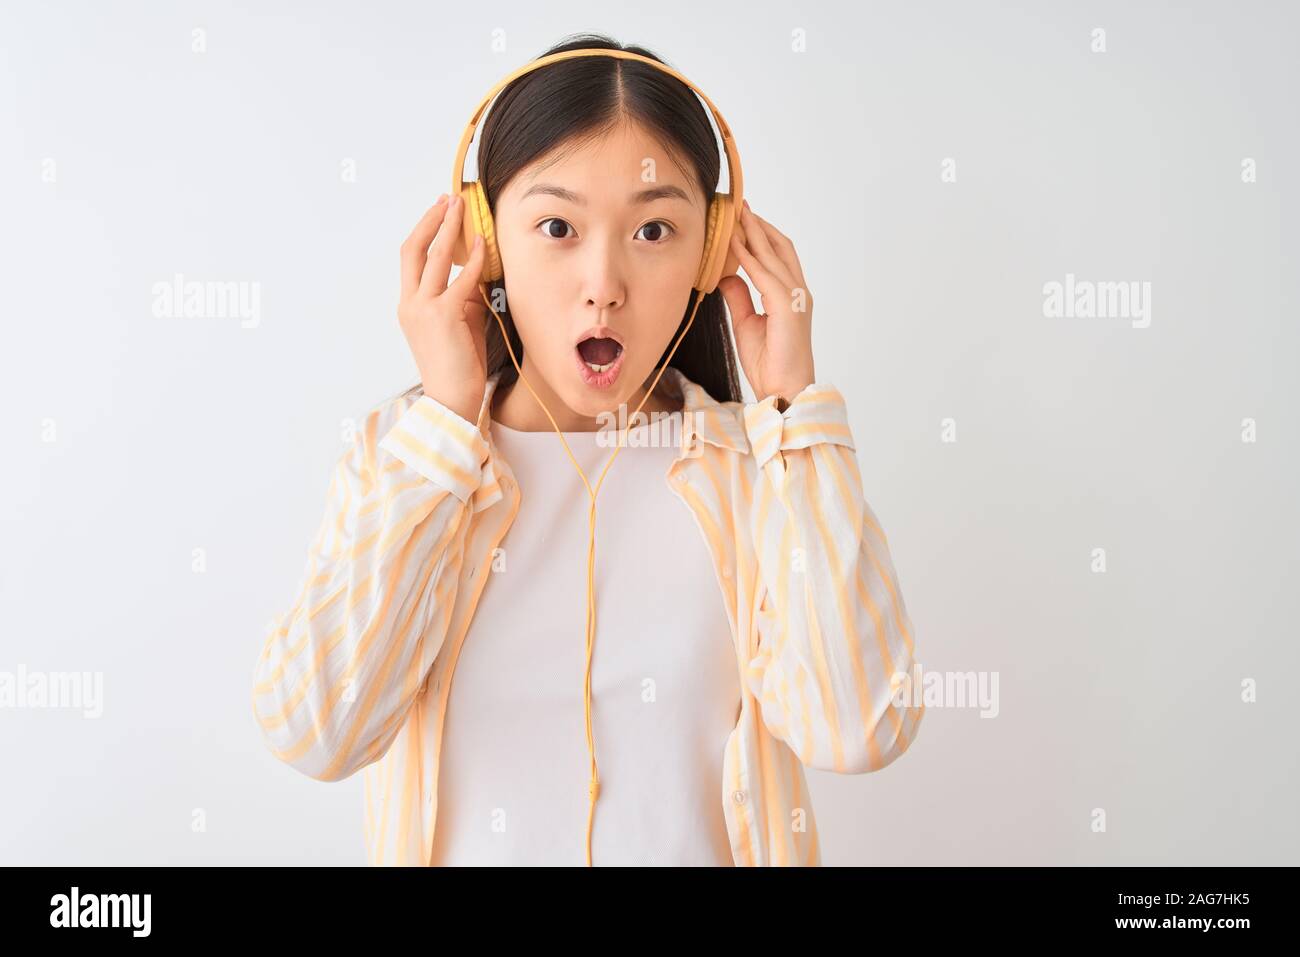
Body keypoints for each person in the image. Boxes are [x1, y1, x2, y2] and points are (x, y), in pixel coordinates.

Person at [251, 32, 924, 867]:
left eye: (653, 231)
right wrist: (448, 430)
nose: (603, 280)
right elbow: (317, 732)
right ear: (487, 243)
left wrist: (794, 411)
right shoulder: (405, 460)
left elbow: (859, 727)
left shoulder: (759, 476)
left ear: (708, 255)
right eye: (558, 225)